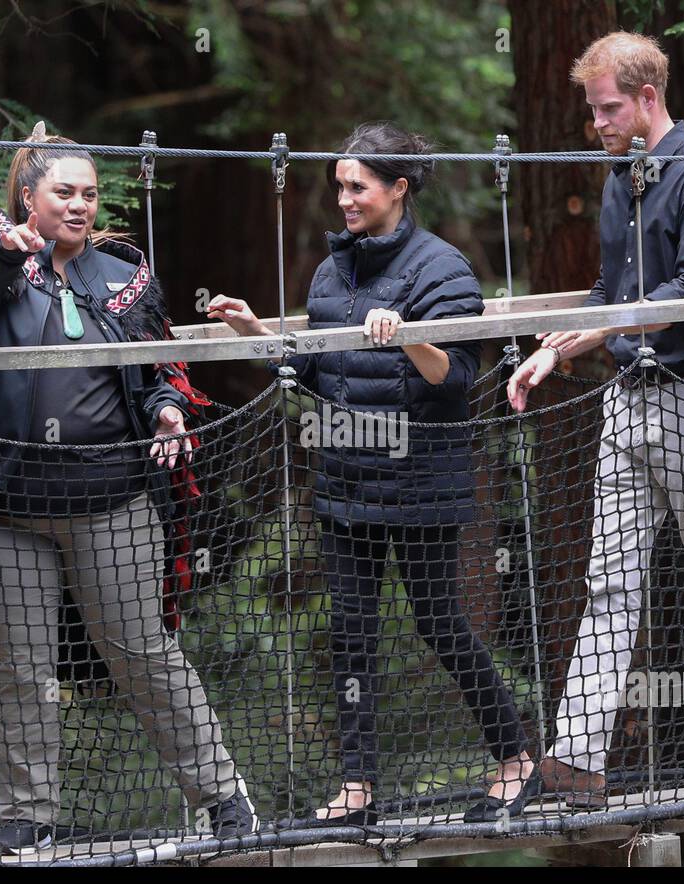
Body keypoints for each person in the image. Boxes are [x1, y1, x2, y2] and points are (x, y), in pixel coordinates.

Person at [0, 124, 256, 856]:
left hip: (111, 499)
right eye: (63, 193)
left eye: (89, 194)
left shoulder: (122, 275)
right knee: (20, 668)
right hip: (5, 508)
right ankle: (28, 815)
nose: (79, 205)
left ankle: (224, 798)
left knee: (144, 653)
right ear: (27, 196)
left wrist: (167, 412)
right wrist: (0, 257)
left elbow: (155, 372)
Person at [208, 122, 539, 826]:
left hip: (422, 481)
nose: (346, 199)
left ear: (399, 188)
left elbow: (457, 381)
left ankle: (516, 761)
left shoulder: (444, 269)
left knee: (440, 624)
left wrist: (412, 334)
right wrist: (254, 333)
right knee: (351, 635)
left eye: (358, 186)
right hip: (345, 480)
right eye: (340, 186)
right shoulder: (334, 271)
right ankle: (356, 790)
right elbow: (309, 369)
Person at [507, 32, 684, 803]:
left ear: (648, 98)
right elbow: (607, 288)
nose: (599, 124)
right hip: (629, 399)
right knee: (609, 584)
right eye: (593, 112)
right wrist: (556, 348)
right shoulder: (622, 178)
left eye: (608, 109)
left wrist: (604, 328)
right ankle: (577, 756)